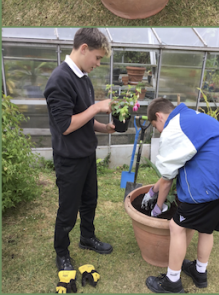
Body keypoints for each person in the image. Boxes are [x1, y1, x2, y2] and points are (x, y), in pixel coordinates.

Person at [141, 98, 219, 293]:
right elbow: (170, 172)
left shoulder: (174, 129)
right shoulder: (191, 117)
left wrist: (158, 208)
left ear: (159, 116)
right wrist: (152, 191)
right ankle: (200, 273)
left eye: (157, 128)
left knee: (177, 225)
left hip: (212, 184)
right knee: (206, 228)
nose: (160, 132)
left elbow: (167, 179)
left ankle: (172, 282)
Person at [45, 28, 119, 274]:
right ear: (84, 48)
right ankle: (62, 252)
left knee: (89, 201)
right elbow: (66, 125)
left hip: (86, 154)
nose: (98, 63)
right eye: (97, 57)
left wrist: (104, 128)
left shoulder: (83, 78)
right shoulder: (59, 80)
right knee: (68, 210)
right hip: (69, 159)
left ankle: (87, 237)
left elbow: (83, 118)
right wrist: (98, 107)